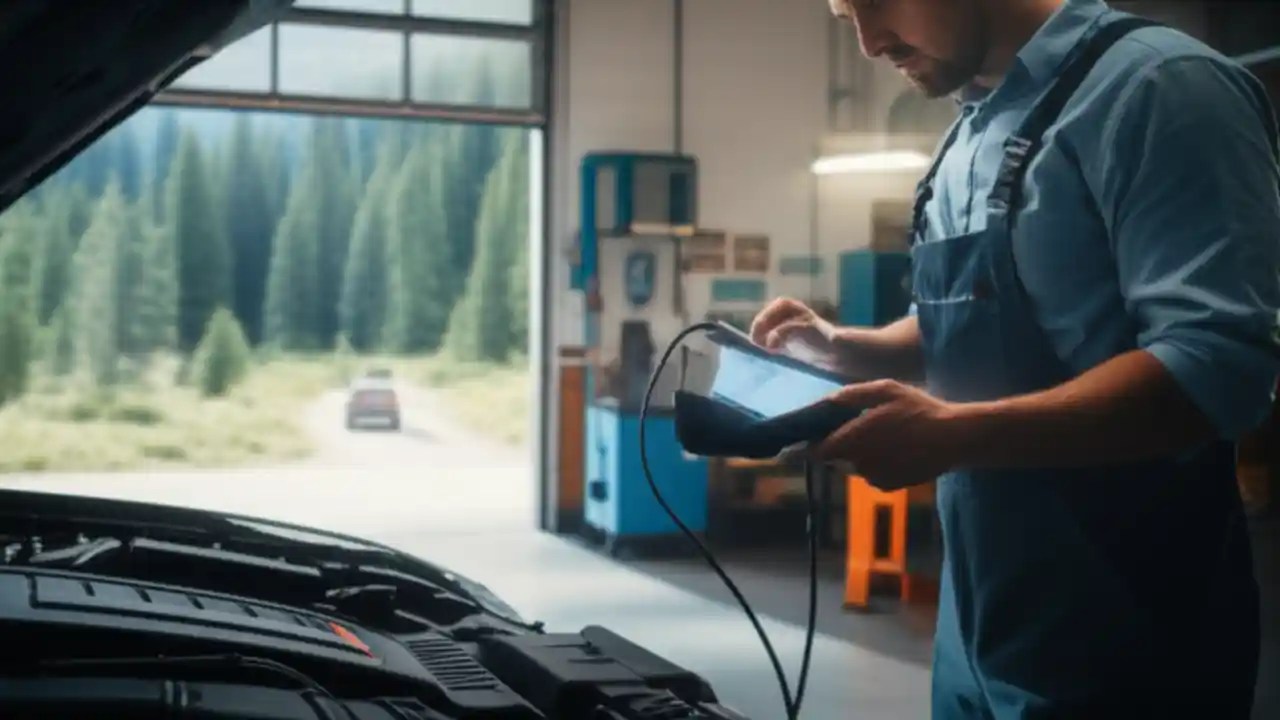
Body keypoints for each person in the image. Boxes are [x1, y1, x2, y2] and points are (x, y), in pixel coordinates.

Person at [751, 0, 1280, 717]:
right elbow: (963, 322)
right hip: (977, 630)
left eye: (876, 1)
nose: (870, 43)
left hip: (1127, 641)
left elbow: (1219, 364)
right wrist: (847, 348)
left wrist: (956, 434)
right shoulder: (970, 131)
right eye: (847, 16)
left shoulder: (1159, 88)